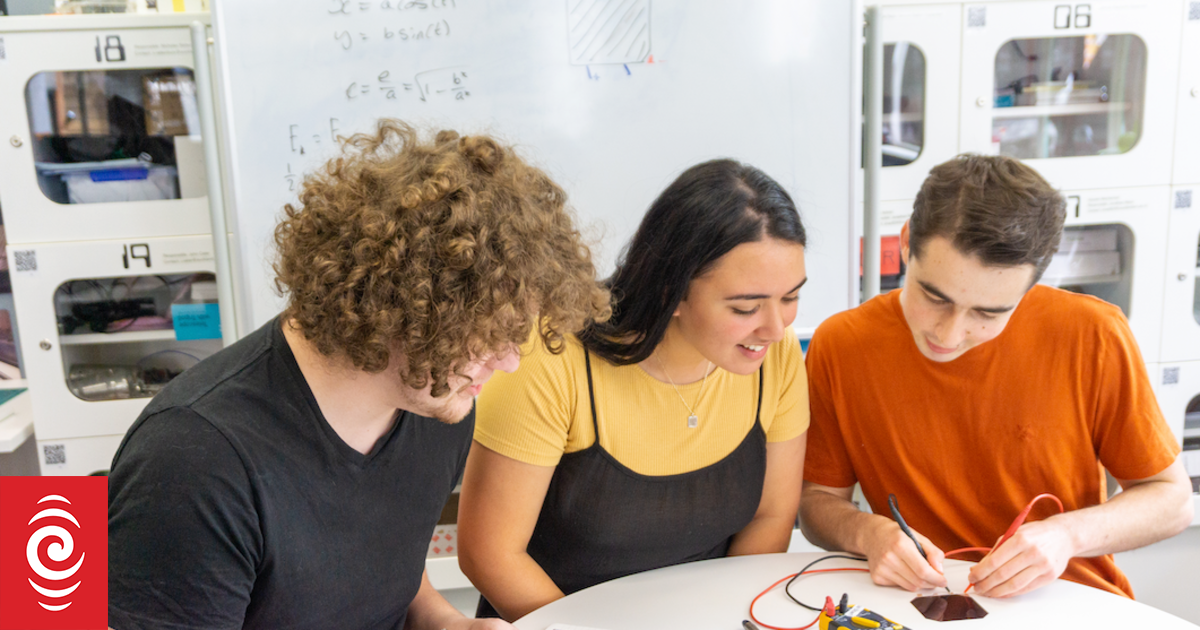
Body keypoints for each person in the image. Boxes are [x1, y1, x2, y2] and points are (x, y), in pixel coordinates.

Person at [106, 120, 610, 630]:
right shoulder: (192, 462)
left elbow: (388, 576)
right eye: (492, 334)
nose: (508, 363)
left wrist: (448, 624)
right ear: (412, 309)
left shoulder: (438, 407)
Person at [800, 154, 1193, 600]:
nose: (948, 334)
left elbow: (1172, 500)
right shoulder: (842, 344)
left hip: (1071, 604)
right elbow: (817, 503)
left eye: (988, 313)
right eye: (933, 296)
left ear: (1030, 287)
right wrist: (867, 533)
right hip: (920, 604)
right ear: (907, 243)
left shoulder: (1092, 334)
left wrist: (1067, 535)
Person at [457, 159, 811, 621]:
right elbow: (490, 553)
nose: (775, 327)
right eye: (746, 307)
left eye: (790, 297)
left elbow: (769, 520)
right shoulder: (551, 357)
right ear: (672, 291)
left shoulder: (775, 357)